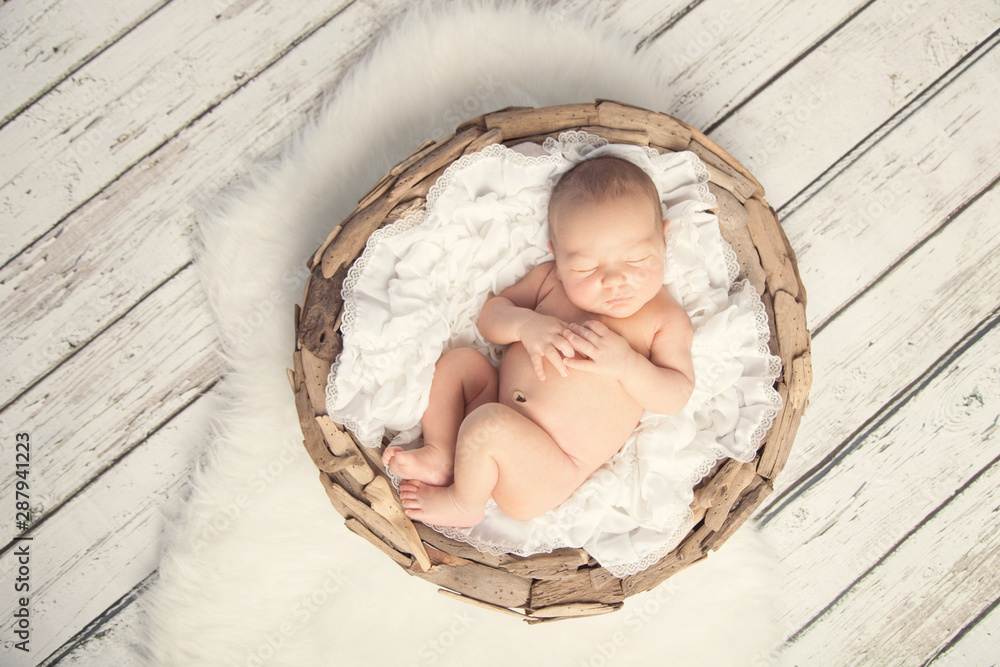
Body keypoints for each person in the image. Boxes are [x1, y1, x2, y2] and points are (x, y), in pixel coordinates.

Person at [381, 155, 695, 527]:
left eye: (637, 259)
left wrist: (627, 366)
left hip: (550, 466)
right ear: (556, 257)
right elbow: (490, 318)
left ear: (663, 236)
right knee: (460, 364)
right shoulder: (550, 283)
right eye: (586, 267)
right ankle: (442, 452)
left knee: (487, 426)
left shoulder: (663, 317)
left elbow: (676, 394)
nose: (613, 280)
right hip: (494, 401)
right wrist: (524, 324)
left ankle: (465, 503)